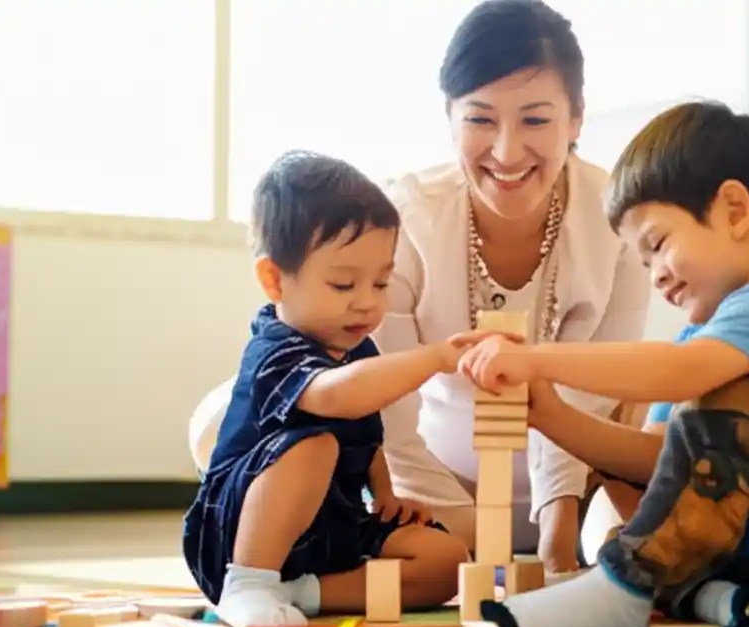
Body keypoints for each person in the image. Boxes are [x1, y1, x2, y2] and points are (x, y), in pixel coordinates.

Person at [187, 0, 651, 575]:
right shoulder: (408, 214)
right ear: (450, 115)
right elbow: (392, 419)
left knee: (668, 446)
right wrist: (461, 530)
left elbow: (585, 399)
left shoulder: (617, 221)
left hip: (570, 484)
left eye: (535, 120)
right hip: (432, 481)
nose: (507, 151)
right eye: (481, 120)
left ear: (576, 118)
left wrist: (555, 536)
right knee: (225, 416)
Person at [457, 101, 749, 627]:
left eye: (658, 245)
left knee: (728, 392)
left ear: (734, 210)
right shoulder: (700, 344)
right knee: (635, 485)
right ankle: (711, 599)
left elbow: (680, 373)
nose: (655, 275)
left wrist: (535, 357)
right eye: (643, 261)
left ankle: (627, 587)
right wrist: (553, 418)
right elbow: (656, 460)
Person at [181, 150, 476, 627]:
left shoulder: (355, 348)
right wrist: (435, 358)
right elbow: (339, 398)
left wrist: (386, 493)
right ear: (275, 280)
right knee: (314, 444)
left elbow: (366, 434)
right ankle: (250, 585)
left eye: (381, 283)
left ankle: (298, 593)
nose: (366, 302)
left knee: (446, 559)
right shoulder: (276, 351)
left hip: (329, 531)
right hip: (238, 539)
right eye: (343, 284)